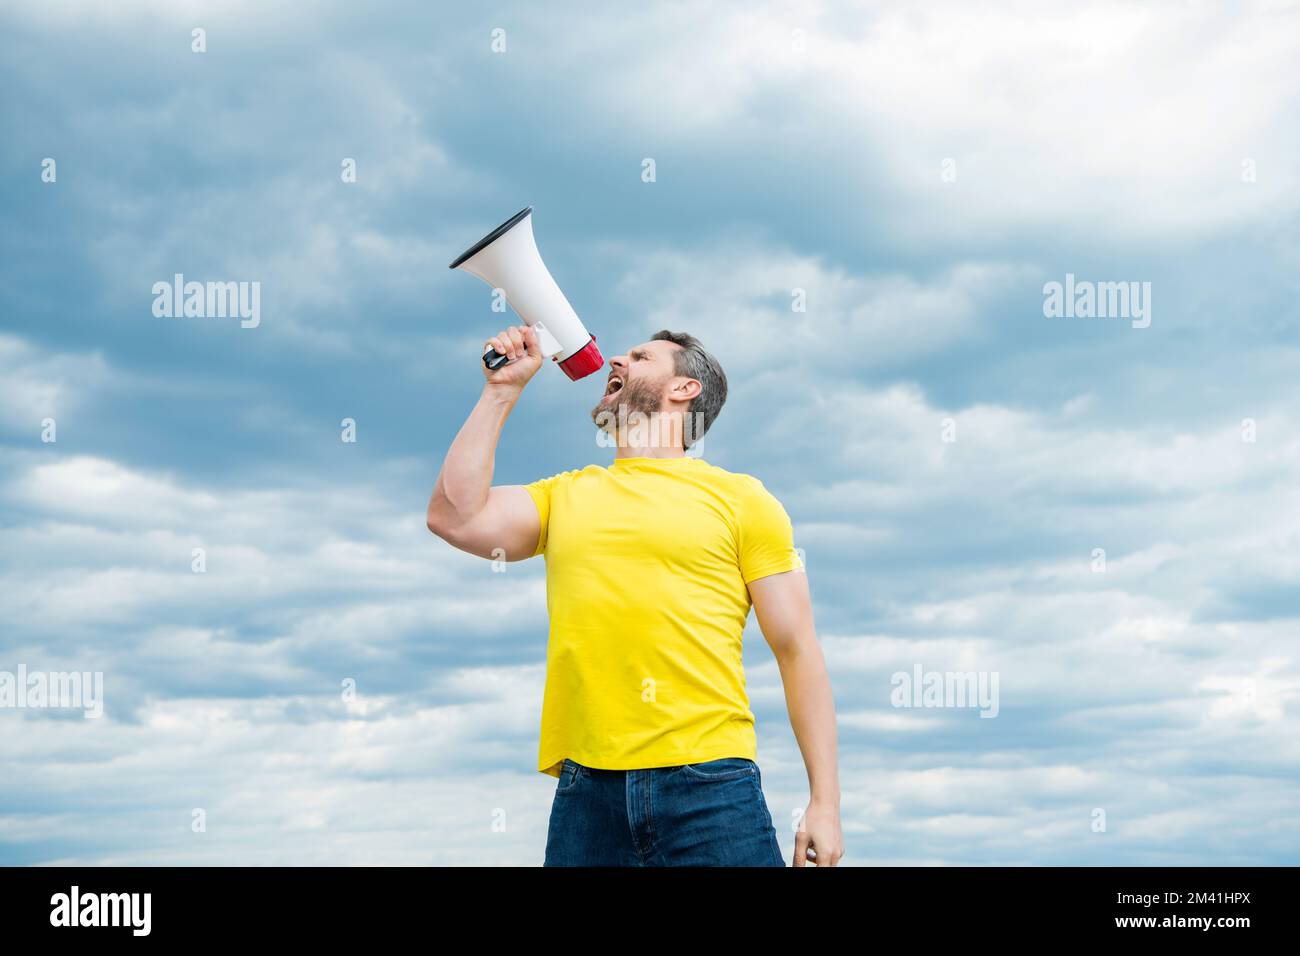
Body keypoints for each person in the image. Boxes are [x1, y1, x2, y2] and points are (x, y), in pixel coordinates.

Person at [426, 323, 843, 867]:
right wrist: (501, 391)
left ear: (684, 389)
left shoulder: (743, 500)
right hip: (586, 794)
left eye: (641, 356)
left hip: (711, 785)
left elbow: (797, 649)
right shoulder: (563, 496)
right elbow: (453, 517)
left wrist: (825, 803)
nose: (617, 359)